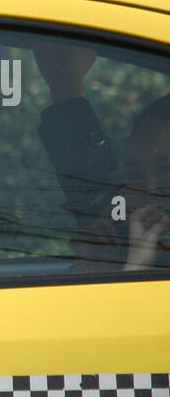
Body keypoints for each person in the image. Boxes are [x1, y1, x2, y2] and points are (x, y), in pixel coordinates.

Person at [33, 42, 170, 271]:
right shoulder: (122, 238)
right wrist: (91, 270)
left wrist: (137, 271)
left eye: (167, 171)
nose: (151, 189)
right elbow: (95, 192)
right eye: (134, 175)